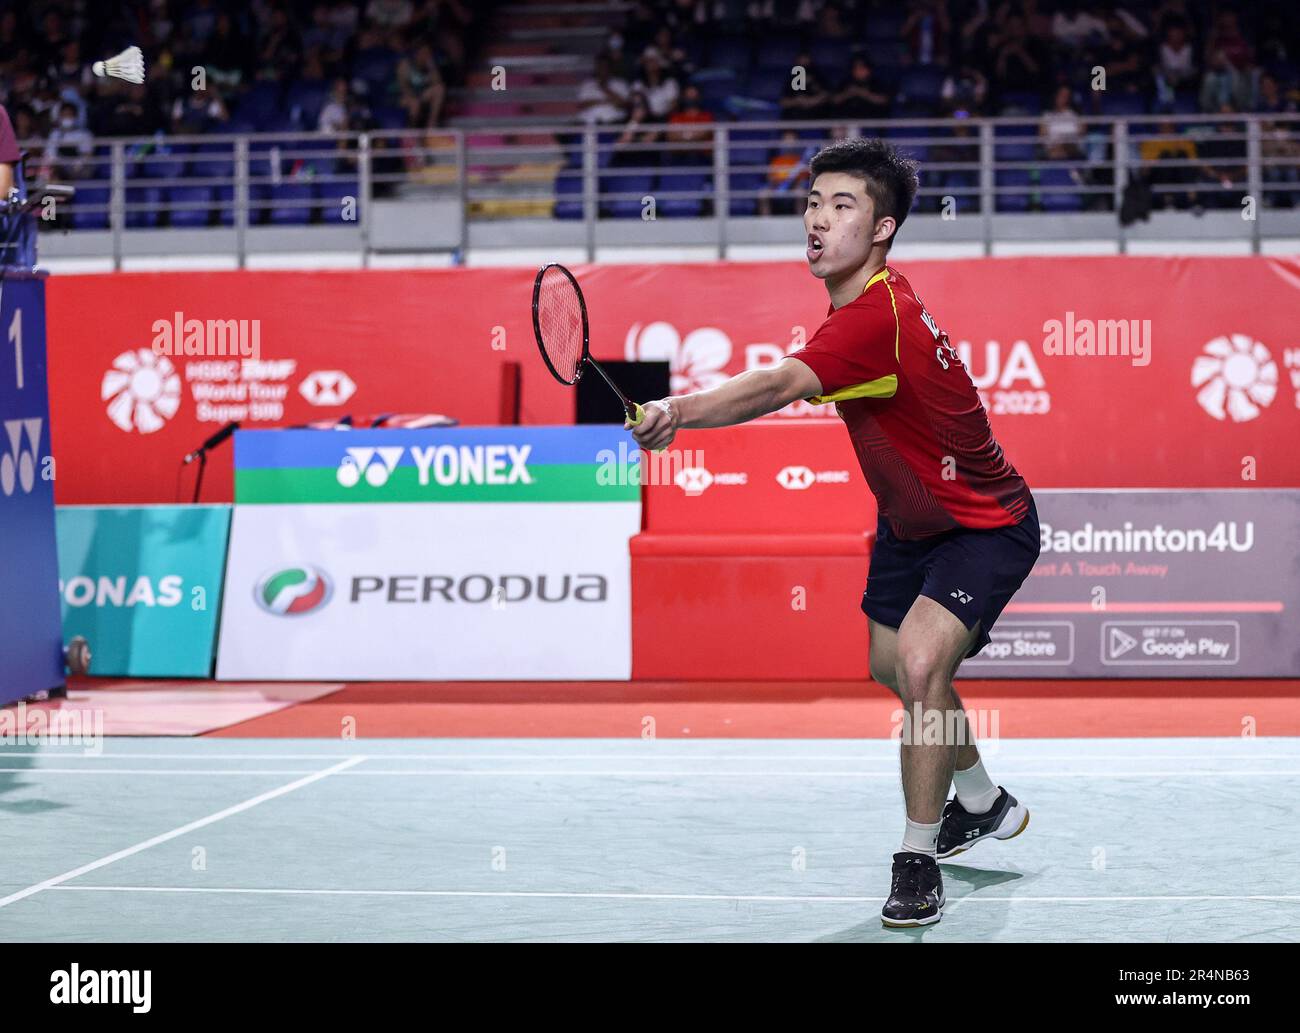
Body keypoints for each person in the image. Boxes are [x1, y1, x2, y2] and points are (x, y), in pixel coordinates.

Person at [628, 138, 1038, 928]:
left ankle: (918, 859)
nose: (817, 219)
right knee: (894, 666)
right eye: (812, 203)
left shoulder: (877, 317)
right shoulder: (862, 304)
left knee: (921, 665)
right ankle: (981, 799)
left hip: (983, 524)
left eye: (841, 205)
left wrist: (678, 412)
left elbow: (779, 383)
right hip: (910, 522)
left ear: (883, 228)